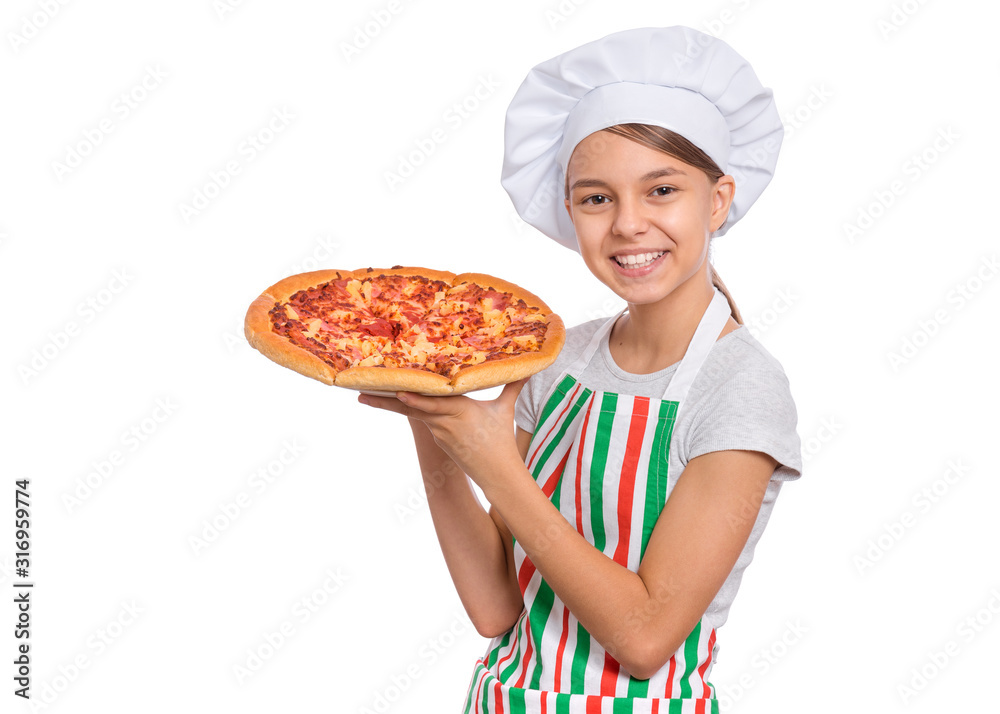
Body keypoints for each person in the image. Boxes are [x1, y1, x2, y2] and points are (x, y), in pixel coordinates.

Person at [359, 26, 802, 713]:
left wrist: (495, 464)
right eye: (597, 198)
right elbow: (495, 609)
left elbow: (646, 637)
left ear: (717, 200)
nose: (628, 224)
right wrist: (430, 410)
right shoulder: (557, 358)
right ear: (569, 211)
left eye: (661, 190)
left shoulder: (741, 388)